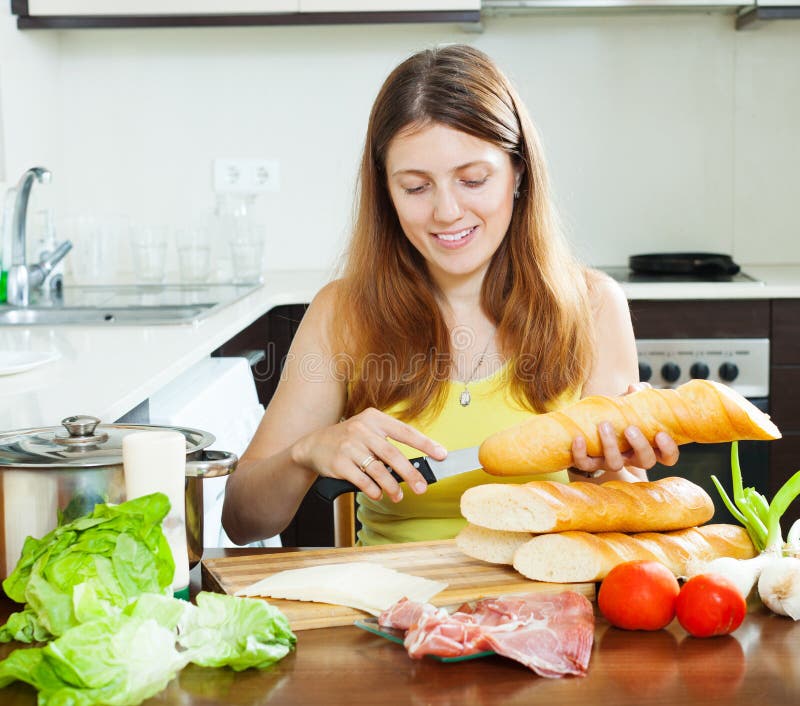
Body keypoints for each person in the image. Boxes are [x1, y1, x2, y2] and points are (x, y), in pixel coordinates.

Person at [222, 44, 680, 547]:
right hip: (391, 609)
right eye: (416, 188)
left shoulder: (592, 306)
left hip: (545, 603)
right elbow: (243, 521)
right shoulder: (343, 313)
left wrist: (605, 474)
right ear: (386, 193)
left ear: (519, 171)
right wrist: (305, 452)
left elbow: (628, 519)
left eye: (473, 180)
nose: (446, 211)